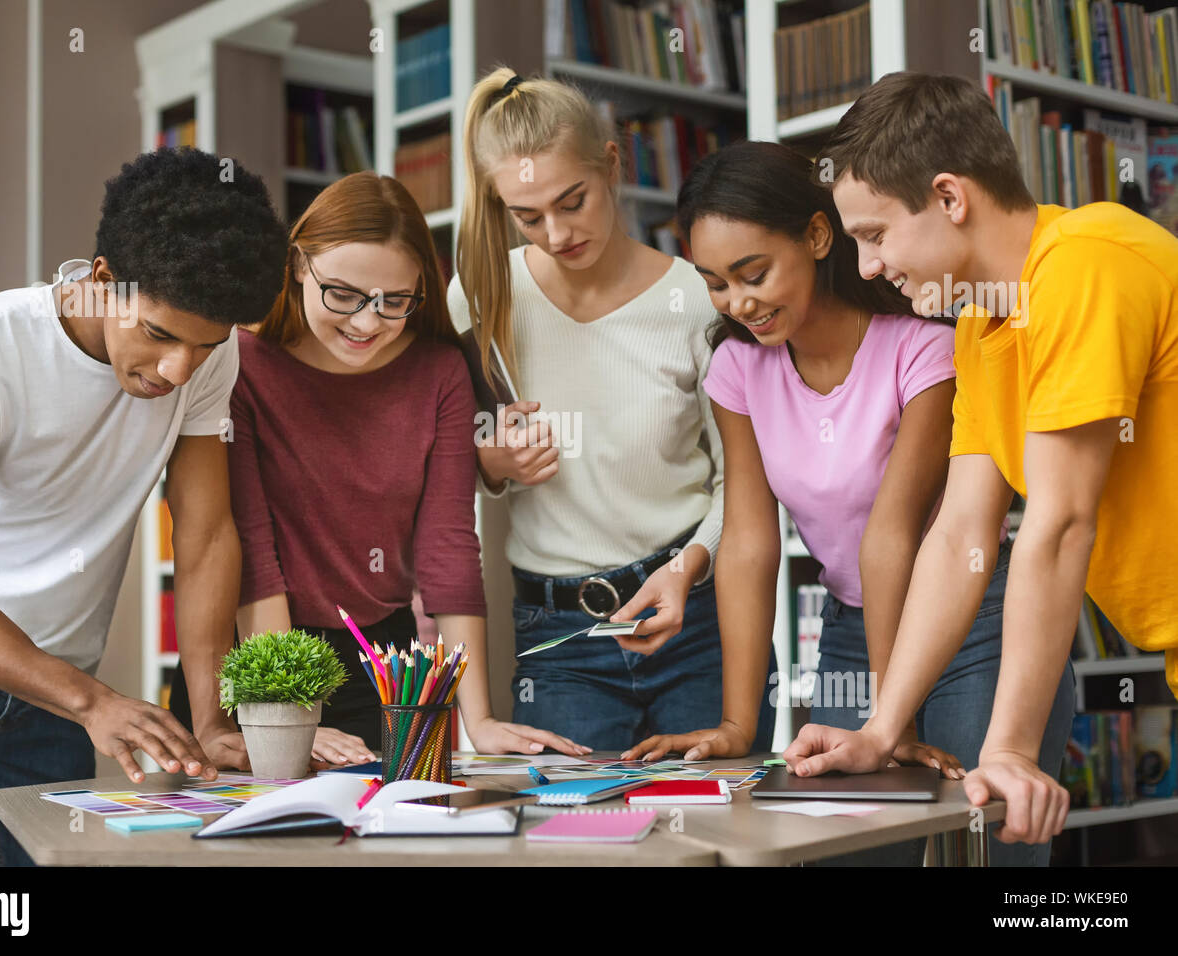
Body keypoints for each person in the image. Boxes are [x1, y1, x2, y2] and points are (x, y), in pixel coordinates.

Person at [623, 140, 1075, 865]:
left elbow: (892, 534)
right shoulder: (738, 366)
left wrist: (883, 721)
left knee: (985, 852)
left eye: (753, 273)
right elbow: (747, 539)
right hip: (848, 632)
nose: (739, 303)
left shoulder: (921, 345)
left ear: (816, 235)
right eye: (715, 284)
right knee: (844, 851)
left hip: (978, 627)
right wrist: (740, 727)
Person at [786, 71, 1178, 848]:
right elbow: (961, 534)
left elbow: (1062, 525)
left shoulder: (1082, 266)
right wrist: (881, 727)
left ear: (949, 197)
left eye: (875, 235)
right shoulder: (984, 323)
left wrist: (1008, 749)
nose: (866, 268)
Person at [0, 147, 287, 865]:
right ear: (102, 281)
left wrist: (212, 715)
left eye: (204, 345)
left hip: (54, 671)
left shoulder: (203, 356)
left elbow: (206, 538)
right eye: (158, 335)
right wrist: (93, 702)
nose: (178, 371)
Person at [449, 66, 776, 751]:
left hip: (697, 620)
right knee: (573, 848)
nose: (557, 232)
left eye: (574, 201)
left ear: (611, 163)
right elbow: (451, 457)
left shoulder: (695, 298)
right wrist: (491, 459)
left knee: (714, 844)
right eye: (527, 216)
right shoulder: (478, 296)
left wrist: (689, 565)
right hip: (559, 640)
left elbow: (741, 485)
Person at [214, 170, 586, 761]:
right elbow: (253, 554)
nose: (367, 323)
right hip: (261, 660)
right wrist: (287, 709)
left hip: (382, 660)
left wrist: (481, 719)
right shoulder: (241, 365)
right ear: (297, 264)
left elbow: (447, 548)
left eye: (395, 301)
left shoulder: (437, 372)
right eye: (343, 295)